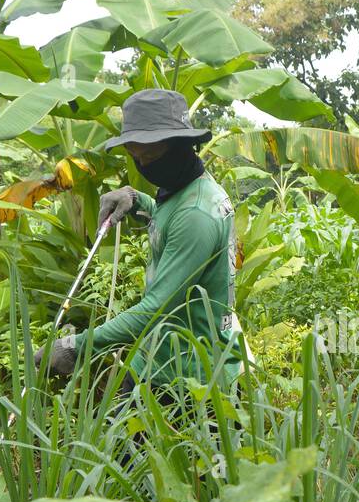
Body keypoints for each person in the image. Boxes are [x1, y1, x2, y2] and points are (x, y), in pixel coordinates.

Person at [34, 89, 240, 397]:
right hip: (159, 359)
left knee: (127, 445)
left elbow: (156, 308)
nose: (144, 165)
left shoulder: (197, 214)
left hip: (191, 381)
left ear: (183, 145)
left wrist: (78, 347)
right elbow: (170, 220)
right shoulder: (184, 188)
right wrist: (137, 201)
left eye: (151, 156)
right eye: (136, 157)